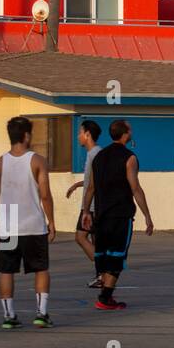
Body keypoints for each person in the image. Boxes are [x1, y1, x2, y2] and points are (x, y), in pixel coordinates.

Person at [0, 117, 56, 328]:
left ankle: (9, 316)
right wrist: (51, 222)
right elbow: (45, 194)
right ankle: (41, 314)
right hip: (33, 226)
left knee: (6, 271)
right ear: (27, 135)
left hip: (8, 227)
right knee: (41, 269)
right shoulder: (37, 161)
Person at [83, 120, 154, 311]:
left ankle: (106, 296)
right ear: (125, 134)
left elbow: (90, 188)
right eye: (130, 129)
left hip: (101, 215)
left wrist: (85, 212)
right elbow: (135, 188)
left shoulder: (99, 157)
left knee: (105, 256)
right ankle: (105, 299)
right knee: (116, 257)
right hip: (120, 215)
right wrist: (147, 215)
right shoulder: (129, 158)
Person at [64, 119, 103, 288]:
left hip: (92, 207)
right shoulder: (92, 154)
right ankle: (101, 276)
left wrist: (86, 209)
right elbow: (90, 180)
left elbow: (96, 183)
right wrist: (77, 185)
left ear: (87, 134)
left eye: (80, 133)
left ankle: (106, 269)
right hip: (92, 206)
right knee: (95, 242)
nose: (78, 136)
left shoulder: (96, 154)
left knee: (80, 237)